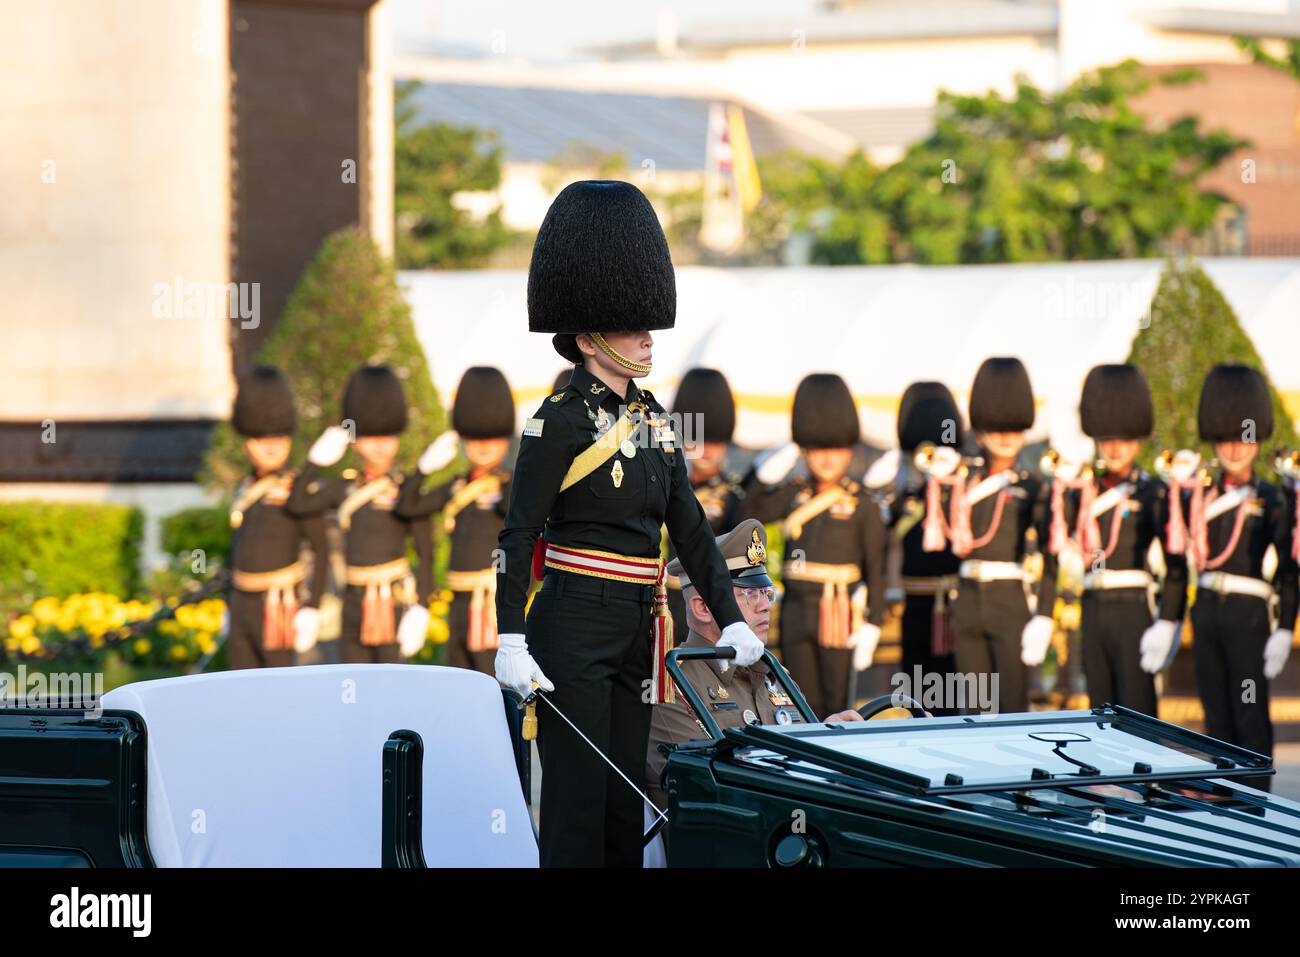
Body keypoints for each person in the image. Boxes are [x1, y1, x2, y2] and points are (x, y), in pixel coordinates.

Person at [494, 180, 764, 868]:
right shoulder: (557, 421)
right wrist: (509, 635)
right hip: (574, 621)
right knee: (577, 805)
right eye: (628, 327)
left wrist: (731, 617)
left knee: (624, 806)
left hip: (640, 623)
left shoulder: (654, 420)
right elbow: (518, 533)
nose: (647, 338)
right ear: (588, 339)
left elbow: (690, 528)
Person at [1140, 364, 1297, 788]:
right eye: (1225, 437)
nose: (1234, 447)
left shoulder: (1273, 497)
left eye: (1243, 436)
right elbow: (1177, 560)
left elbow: (1289, 569)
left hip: (1249, 618)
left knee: (1250, 714)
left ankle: (1256, 805)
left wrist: (1285, 627)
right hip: (1207, 611)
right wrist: (1168, 620)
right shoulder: (1197, 495)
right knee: (1217, 719)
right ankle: (1224, 805)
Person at [645, 519, 863, 812]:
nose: (766, 605)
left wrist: (824, 740)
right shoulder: (670, 686)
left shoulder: (773, 673)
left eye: (766, 592)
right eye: (749, 594)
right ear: (703, 608)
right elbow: (707, 793)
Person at [737, 373, 887, 719]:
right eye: (818, 447)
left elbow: (876, 565)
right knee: (798, 699)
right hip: (795, 609)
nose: (827, 458)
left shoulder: (861, 502)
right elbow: (745, 518)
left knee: (837, 701)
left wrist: (874, 621)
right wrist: (761, 477)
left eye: (835, 447)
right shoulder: (793, 493)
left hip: (837, 610)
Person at [1047, 364, 1185, 716]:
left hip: (1133, 608)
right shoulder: (1080, 489)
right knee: (1100, 712)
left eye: (1124, 438)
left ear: (1138, 439)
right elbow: (1055, 539)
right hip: (1093, 604)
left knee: (1138, 711)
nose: (1115, 447)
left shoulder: (1153, 491)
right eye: (1107, 437)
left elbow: (1176, 563)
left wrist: (1168, 620)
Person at [920, 357, 1052, 715]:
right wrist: (939, 479)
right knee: (975, 708)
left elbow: (1051, 552)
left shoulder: (1032, 486)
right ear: (980, 431)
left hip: (1009, 598)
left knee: (1012, 706)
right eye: (995, 427)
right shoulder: (960, 479)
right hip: (967, 598)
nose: (1005, 435)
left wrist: (1044, 613)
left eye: (1013, 427)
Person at [287, 365, 433, 664]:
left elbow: (426, 552)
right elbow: (297, 503)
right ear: (354, 440)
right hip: (352, 600)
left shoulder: (405, 490)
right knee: (353, 680)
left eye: (387, 435)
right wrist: (314, 463)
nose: (379, 445)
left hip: (394, 601)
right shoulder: (343, 488)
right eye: (369, 435)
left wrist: (422, 605)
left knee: (394, 685)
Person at [399, 367, 514, 675]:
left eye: (492, 436)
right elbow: (408, 506)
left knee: (493, 681)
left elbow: (516, 511)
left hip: (491, 603)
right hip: (457, 601)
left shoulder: (510, 485)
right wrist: (423, 469)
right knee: (460, 677)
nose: (483, 445)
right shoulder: (456, 486)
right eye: (475, 437)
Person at [867, 381, 964, 713]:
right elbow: (878, 531)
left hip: (953, 604)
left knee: (954, 696)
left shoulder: (960, 489)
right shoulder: (905, 495)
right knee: (918, 697)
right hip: (915, 604)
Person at [225, 365, 329, 669]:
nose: (271, 447)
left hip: (279, 603)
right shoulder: (244, 489)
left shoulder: (298, 490)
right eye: (262, 439)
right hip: (241, 602)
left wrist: (312, 607)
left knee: (278, 687)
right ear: (247, 442)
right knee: (239, 684)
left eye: (279, 438)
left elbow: (321, 548)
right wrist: (227, 602)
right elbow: (237, 548)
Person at [664, 367, 746, 638]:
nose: (706, 448)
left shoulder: (734, 494)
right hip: (659, 603)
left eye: (715, 439)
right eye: (697, 437)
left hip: (710, 607)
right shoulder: (661, 483)